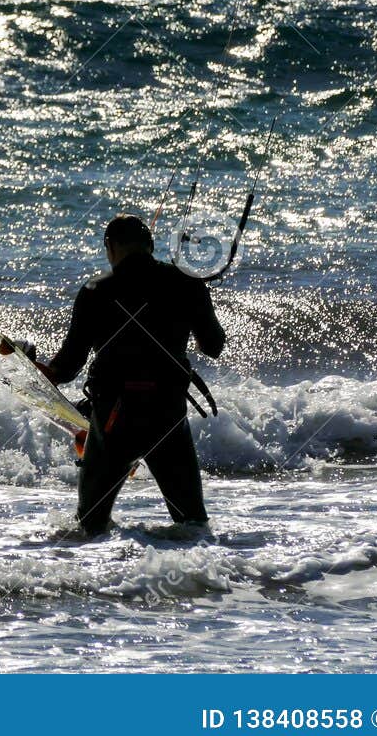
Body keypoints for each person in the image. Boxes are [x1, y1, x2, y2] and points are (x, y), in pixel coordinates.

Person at [24, 215, 226, 535]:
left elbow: (67, 366)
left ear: (111, 247)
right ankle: (194, 577)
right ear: (150, 246)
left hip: (113, 419)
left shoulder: (95, 291)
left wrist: (36, 371)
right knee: (194, 524)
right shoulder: (187, 283)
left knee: (89, 526)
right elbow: (213, 347)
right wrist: (196, 303)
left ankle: (95, 578)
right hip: (166, 415)